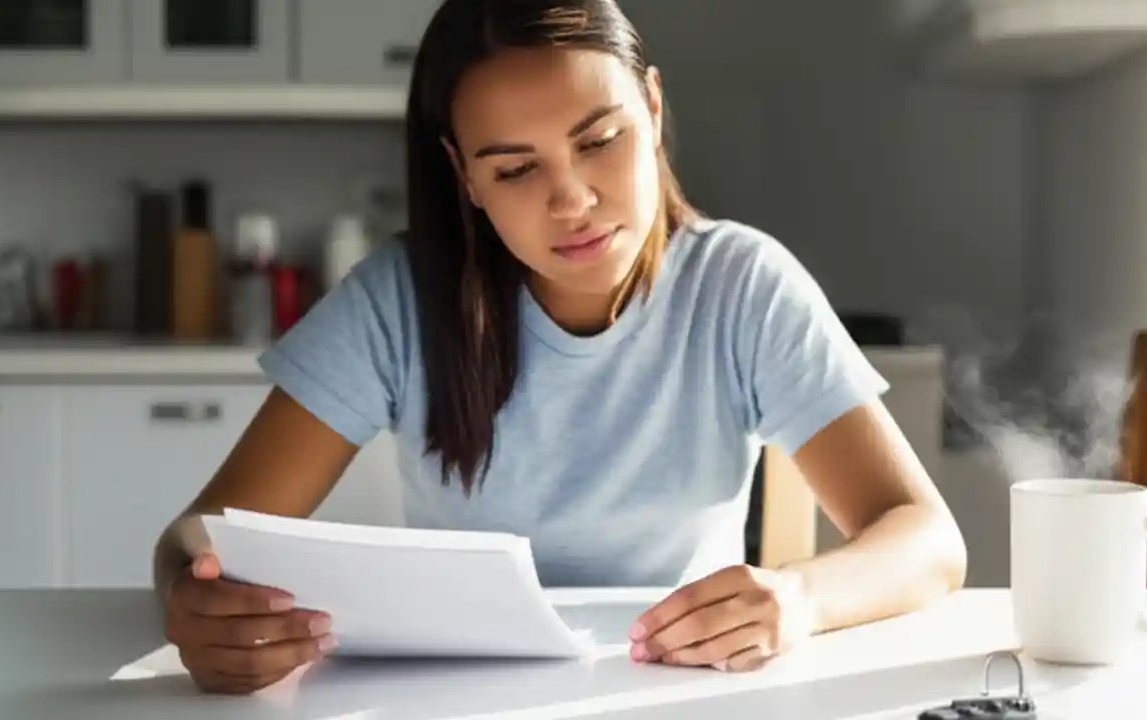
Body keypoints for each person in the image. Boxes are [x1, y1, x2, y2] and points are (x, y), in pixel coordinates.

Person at [154, 0, 967, 695]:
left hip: (677, 692)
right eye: (515, 171)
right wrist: (198, 600)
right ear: (464, 177)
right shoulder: (397, 301)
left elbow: (926, 539)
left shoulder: (743, 287)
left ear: (652, 108)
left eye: (599, 139)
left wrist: (798, 599)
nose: (572, 200)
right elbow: (198, 535)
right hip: (458, 698)